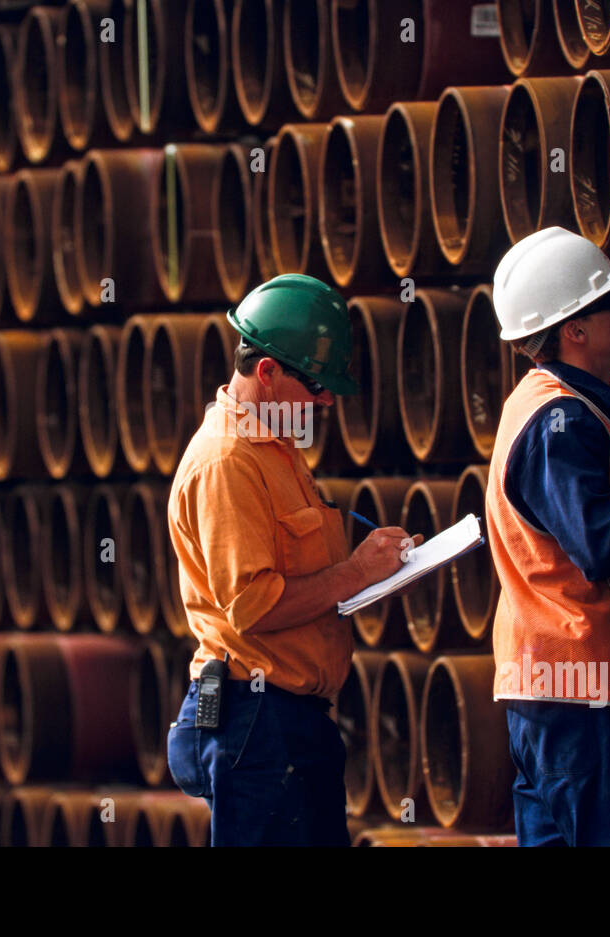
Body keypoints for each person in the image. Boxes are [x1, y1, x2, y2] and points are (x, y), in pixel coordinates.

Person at [164, 273, 421, 846]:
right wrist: (356, 572)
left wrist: (377, 574)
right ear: (267, 372)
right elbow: (253, 606)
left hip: (288, 722)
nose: (326, 400)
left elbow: (303, 577)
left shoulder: (272, 447)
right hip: (258, 724)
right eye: (316, 385)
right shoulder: (228, 462)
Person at [485, 226, 610, 846]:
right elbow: (601, 545)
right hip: (590, 699)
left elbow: (607, 402)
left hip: (550, 694)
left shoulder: (556, 403)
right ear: (575, 329)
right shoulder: (560, 424)